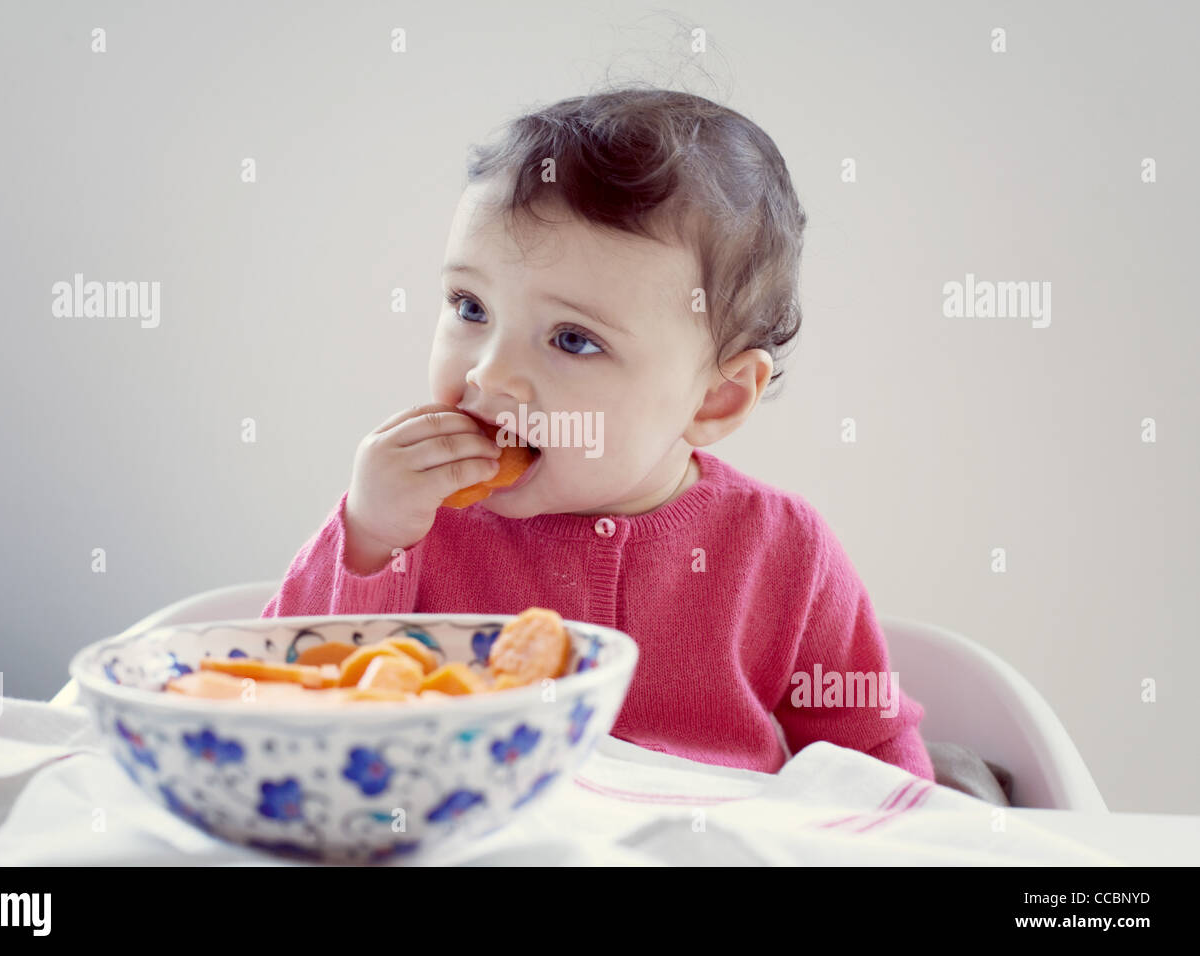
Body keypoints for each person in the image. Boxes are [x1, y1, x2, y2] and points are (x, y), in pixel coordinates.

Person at [262, 86, 934, 781]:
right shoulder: (414, 518)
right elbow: (283, 696)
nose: (491, 375)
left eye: (573, 340)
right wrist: (370, 539)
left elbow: (874, 752)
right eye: (470, 306)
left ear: (717, 397)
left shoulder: (784, 550)